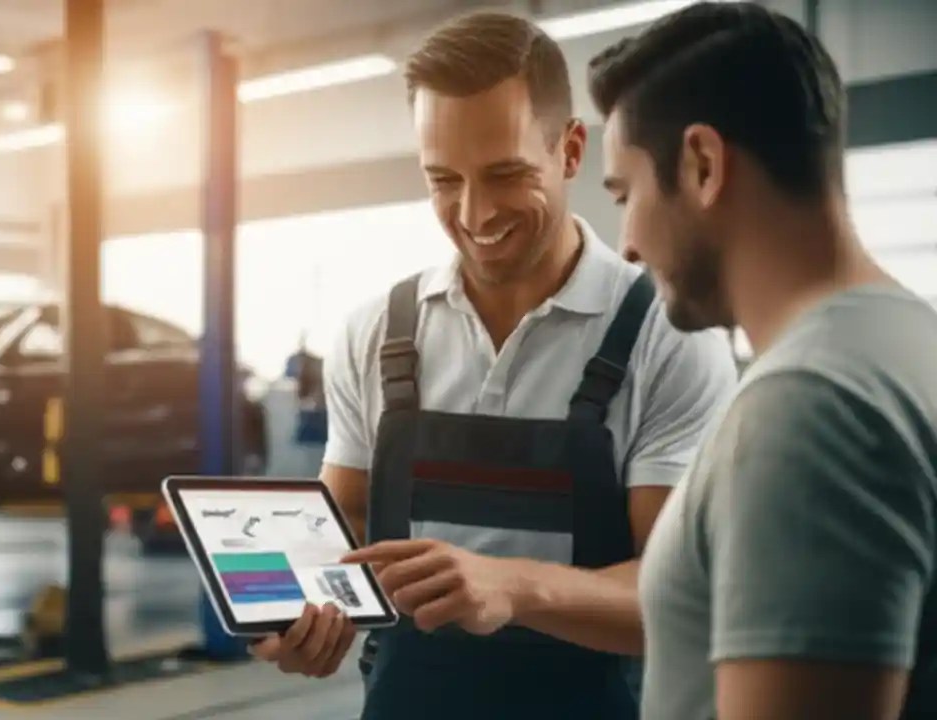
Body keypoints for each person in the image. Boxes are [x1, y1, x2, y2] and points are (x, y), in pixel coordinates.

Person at [250, 11, 738, 719]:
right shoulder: (374, 335)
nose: (474, 213)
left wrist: (511, 588)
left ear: (570, 151)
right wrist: (293, 620)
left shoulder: (668, 337)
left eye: (505, 174)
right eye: (443, 180)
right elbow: (340, 537)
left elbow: (684, 597)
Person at [587, 3, 937, 719]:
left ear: (703, 165)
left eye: (626, 195)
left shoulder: (809, 406)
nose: (624, 242)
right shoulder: (906, 340)